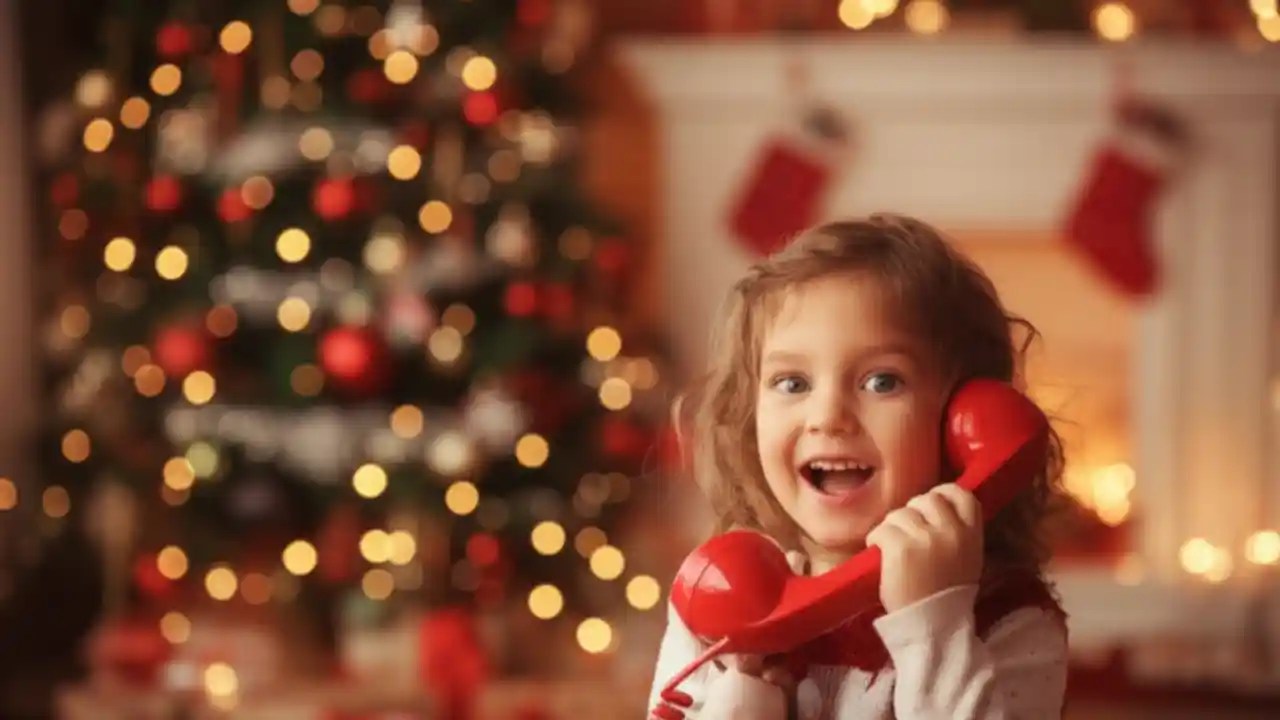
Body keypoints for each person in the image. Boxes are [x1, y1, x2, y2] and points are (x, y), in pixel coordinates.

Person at [649, 215, 1070, 719]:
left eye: (882, 382)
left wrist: (933, 625)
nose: (827, 417)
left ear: (961, 418)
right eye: (792, 383)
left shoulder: (1009, 622)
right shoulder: (723, 597)